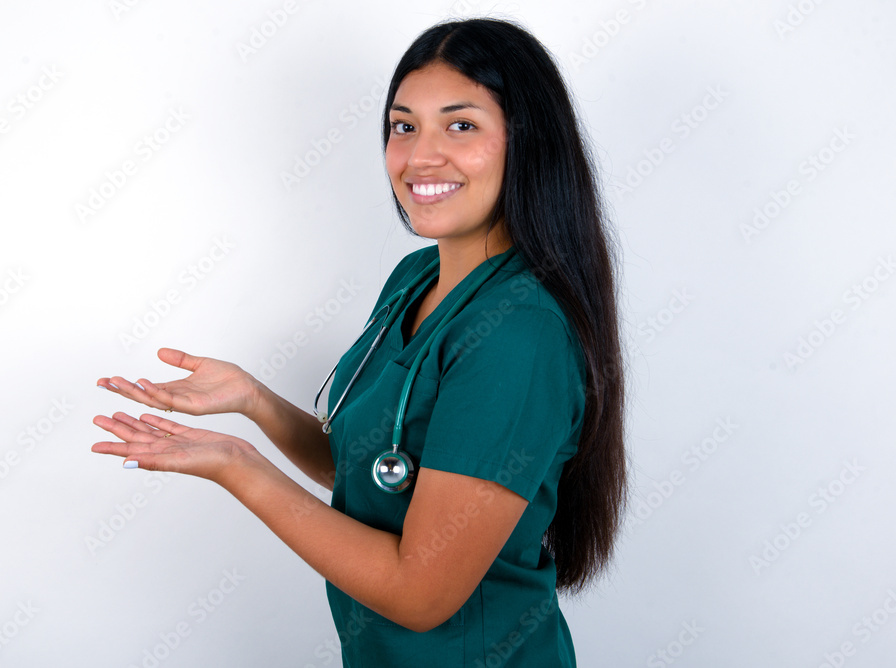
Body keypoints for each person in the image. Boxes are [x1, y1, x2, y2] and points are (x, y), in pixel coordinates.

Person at [92, 16, 626, 667]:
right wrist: (254, 401)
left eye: (461, 125)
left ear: (527, 142)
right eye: (404, 126)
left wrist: (238, 465)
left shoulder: (518, 336)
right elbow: (380, 470)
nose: (420, 155)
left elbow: (419, 593)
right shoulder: (416, 279)